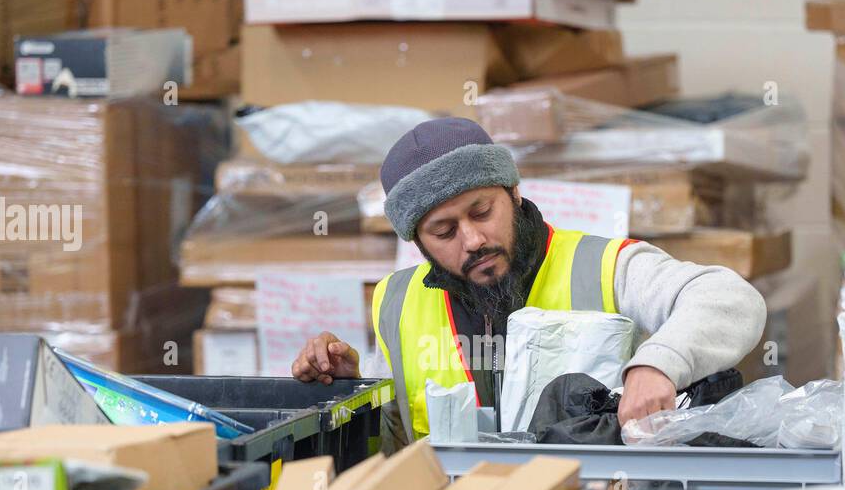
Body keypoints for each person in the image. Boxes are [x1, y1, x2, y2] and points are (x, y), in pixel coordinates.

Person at [292, 117, 766, 444]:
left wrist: (659, 364)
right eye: (444, 231)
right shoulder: (397, 303)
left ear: (514, 193)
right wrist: (355, 392)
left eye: (482, 211)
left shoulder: (602, 266)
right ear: (418, 242)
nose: (473, 239)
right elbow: (399, 444)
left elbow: (730, 299)